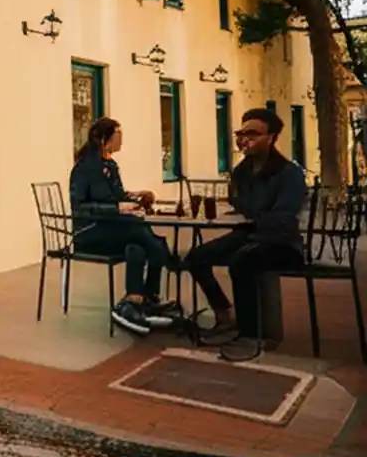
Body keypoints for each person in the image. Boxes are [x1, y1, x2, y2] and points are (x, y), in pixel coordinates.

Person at [184, 108, 306, 348]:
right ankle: (224, 315)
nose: (244, 139)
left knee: (242, 261)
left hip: (282, 243)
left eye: (253, 133)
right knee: (196, 257)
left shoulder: (289, 173)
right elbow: (240, 206)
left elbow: (284, 217)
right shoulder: (241, 172)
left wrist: (255, 220)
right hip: (249, 234)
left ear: (271, 137)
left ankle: (250, 334)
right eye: (241, 133)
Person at [70, 118, 176, 335]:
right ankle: (167, 259)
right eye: (117, 135)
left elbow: (117, 196)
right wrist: (117, 209)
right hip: (90, 233)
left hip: (112, 230)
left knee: (135, 247)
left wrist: (138, 197)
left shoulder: (110, 165)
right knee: (140, 233)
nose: (121, 140)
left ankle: (137, 300)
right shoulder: (84, 168)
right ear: (103, 139)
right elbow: (79, 208)